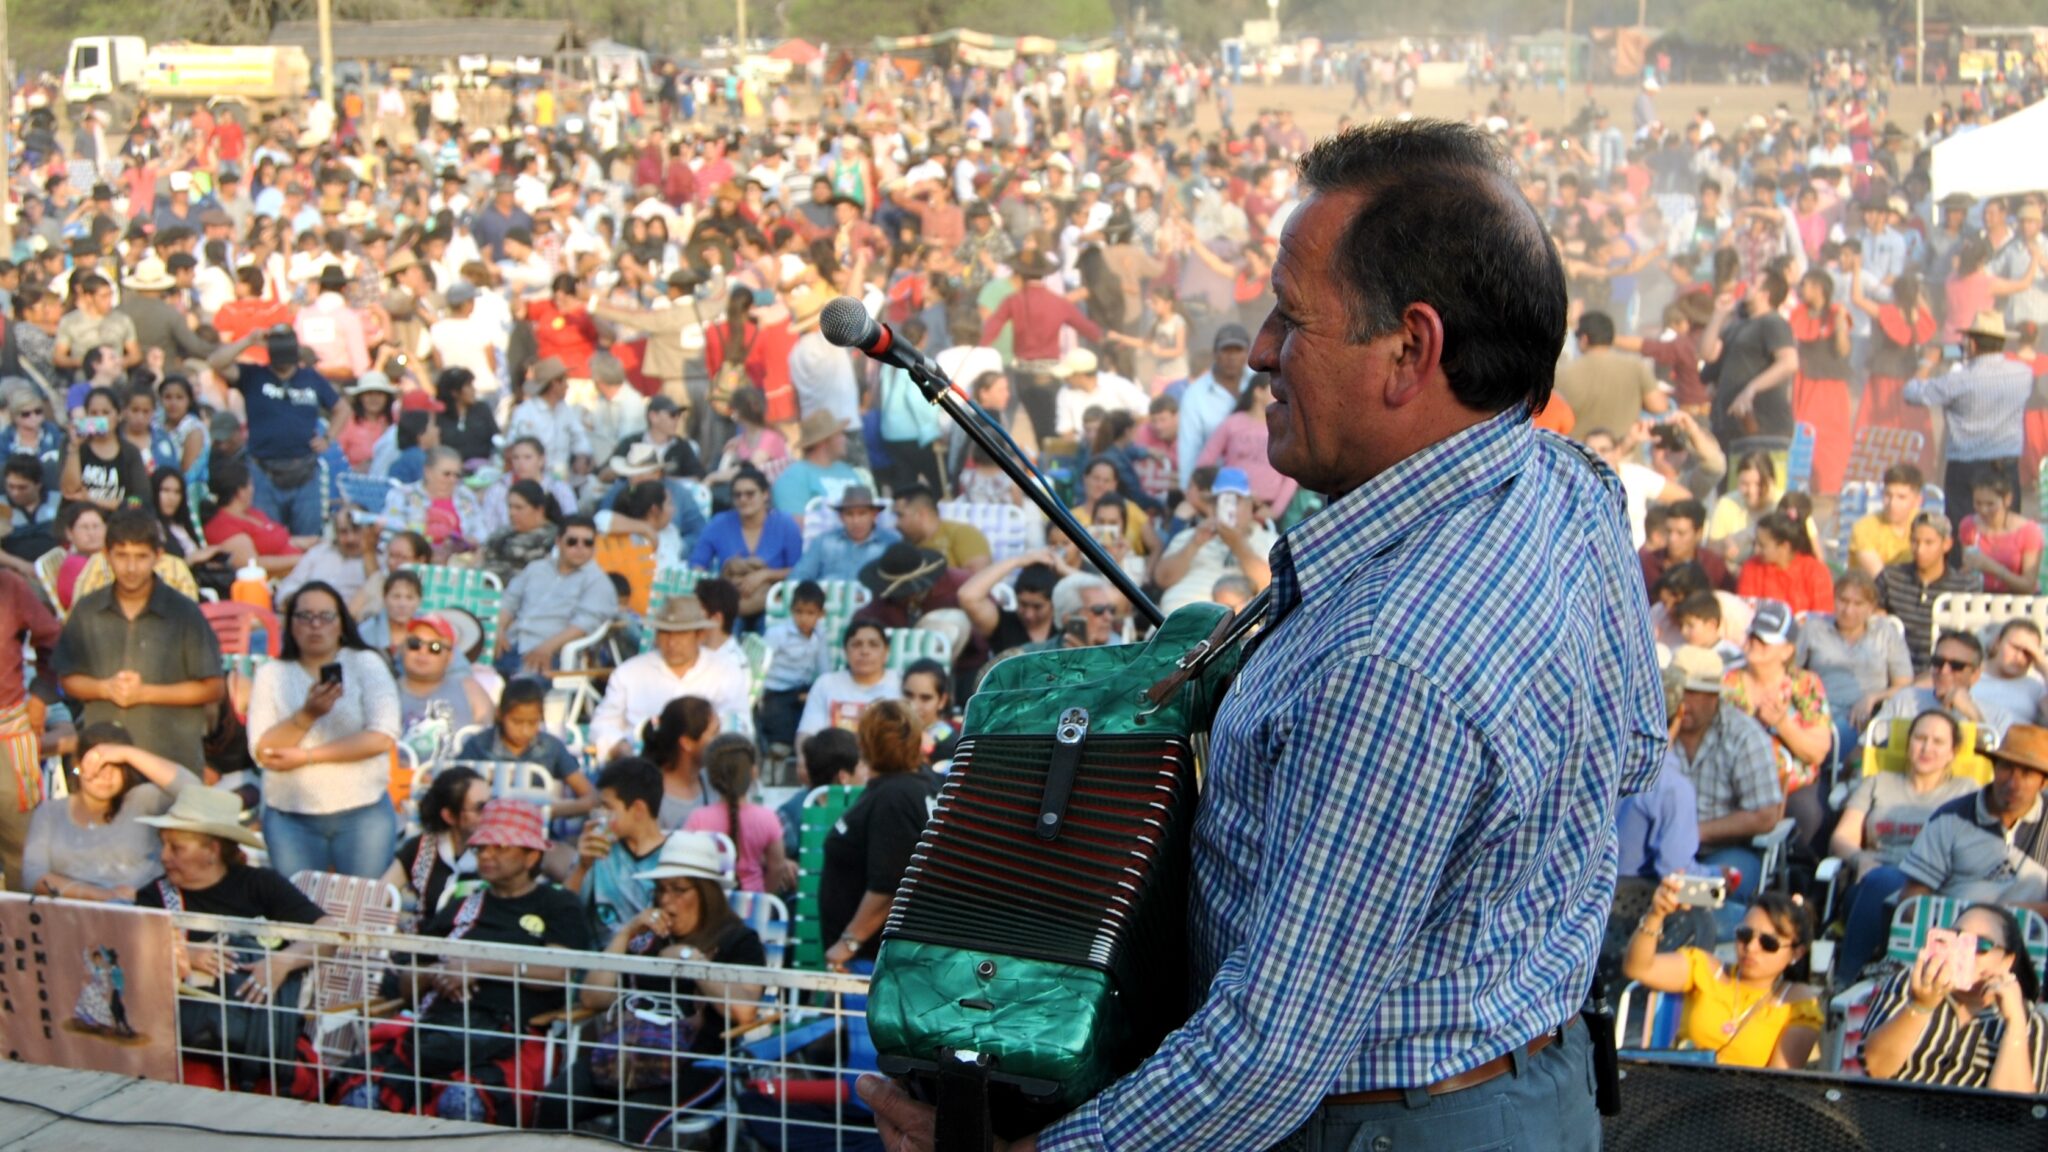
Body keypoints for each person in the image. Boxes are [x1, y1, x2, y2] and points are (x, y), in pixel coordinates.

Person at [855, 122, 1660, 1151]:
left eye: (1291, 319)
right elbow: (1628, 749)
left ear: (1410, 349)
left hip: (1380, 1127)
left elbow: (1266, 1053)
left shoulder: (1389, 662)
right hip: (1529, 1081)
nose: (1261, 354)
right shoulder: (1567, 484)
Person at [338, 798, 589, 1122]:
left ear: (531, 855)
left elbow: (558, 970)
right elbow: (407, 982)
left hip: (510, 1037)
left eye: (500, 847)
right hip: (437, 1029)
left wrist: (478, 967)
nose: (486, 854)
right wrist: (438, 974)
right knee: (362, 1095)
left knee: (462, 1103)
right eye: (482, 848)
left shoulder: (558, 904)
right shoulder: (463, 906)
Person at [539, 829, 765, 1144]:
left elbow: (743, 1011)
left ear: (707, 893)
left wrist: (691, 960)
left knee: (629, 1125)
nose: (666, 901)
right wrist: (624, 935)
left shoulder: (738, 941)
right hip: (625, 1053)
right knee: (554, 1103)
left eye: (679, 890)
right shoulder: (648, 938)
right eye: (660, 890)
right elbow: (593, 995)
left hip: (694, 1064)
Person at [133, 785, 333, 1093]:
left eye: (176, 847)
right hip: (185, 1042)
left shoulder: (259, 885)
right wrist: (183, 952)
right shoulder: (154, 896)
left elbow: (330, 931)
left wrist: (280, 963)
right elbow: (132, 955)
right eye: (163, 845)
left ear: (212, 850)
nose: (164, 857)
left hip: (261, 1040)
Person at [247, 581, 402, 878]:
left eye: (326, 616)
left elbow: (382, 736)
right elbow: (264, 751)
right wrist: (307, 715)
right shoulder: (271, 674)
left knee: (360, 911)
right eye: (305, 617)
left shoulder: (366, 663)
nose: (315, 625)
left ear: (341, 623)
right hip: (291, 817)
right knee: (300, 911)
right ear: (290, 625)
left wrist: (307, 757)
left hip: (363, 812)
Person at [55, 507, 225, 770]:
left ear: (158, 556)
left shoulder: (183, 612)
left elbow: (213, 686)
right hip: (103, 762)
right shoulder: (88, 611)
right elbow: (67, 677)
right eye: (122, 556)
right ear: (106, 555)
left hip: (170, 760)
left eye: (141, 557)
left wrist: (145, 693)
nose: (131, 567)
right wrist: (105, 688)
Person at [1830, 709, 1983, 983]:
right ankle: (1850, 982)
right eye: (1920, 738)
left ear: (1953, 752)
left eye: (1938, 742)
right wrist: (1860, 858)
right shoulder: (1879, 782)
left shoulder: (1966, 791)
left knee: (1888, 883)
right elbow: (1842, 836)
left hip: (1936, 885)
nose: (1926, 748)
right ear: (1908, 742)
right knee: (1880, 880)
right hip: (1876, 875)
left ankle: (1848, 980)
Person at [1622, 876, 1822, 1068]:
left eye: (1768, 943)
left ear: (1797, 952)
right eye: (1744, 934)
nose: (1751, 947)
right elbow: (1638, 968)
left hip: (1745, 1100)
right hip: (1678, 1090)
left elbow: (1777, 1086)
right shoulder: (1704, 969)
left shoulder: (1796, 1004)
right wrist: (1656, 915)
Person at [1860, 902, 2048, 1094]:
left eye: (1982, 945)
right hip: (1889, 1115)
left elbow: (2016, 1113)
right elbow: (1874, 1069)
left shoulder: (2030, 1023)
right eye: (1956, 939)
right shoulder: (1909, 984)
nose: (1963, 953)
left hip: (1974, 1122)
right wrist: (1920, 1006)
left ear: (2007, 961)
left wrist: (2015, 1026)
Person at [1669, 643, 1784, 937]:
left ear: (1713, 698)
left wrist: (1698, 831)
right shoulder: (1662, 728)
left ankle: (1706, 955)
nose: (1684, 702)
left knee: (1713, 895)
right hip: (1662, 845)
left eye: (1693, 693)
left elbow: (1765, 814)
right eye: (1679, 692)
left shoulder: (1744, 736)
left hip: (1723, 848)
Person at [822, 701, 937, 973]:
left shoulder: (894, 797)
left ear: (865, 743)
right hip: (898, 957)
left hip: (877, 961)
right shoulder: (926, 784)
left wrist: (848, 943)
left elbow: (889, 884)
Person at [207, 324, 352, 537]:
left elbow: (342, 408)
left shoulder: (311, 378)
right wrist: (249, 340)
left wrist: (328, 438)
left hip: (304, 471)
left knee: (308, 538)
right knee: (268, 539)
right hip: (263, 472)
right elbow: (215, 363)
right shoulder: (253, 375)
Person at [23, 727, 198, 901]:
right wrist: (103, 896)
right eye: (99, 766)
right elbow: (33, 876)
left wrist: (128, 754)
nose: (107, 775)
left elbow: (194, 790)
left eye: (116, 766)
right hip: (72, 915)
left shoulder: (143, 800)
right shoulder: (50, 812)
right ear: (78, 764)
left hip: (138, 913)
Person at [1895, 723, 2048, 914]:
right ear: (1994, 767)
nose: (2012, 783)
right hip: (1953, 931)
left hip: (2031, 936)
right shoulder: (1950, 817)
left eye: (2026, 773)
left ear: (2043, 783)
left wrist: (2005, 914)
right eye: (2006, 767)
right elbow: (1913, 898)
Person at [1906, 311, 2033, 537]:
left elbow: (1912, 393)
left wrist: (1927, 362)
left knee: (1963, 533)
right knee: (2007, 532)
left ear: (1972, 344)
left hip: (1966, 467)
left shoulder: (1958, 380)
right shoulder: (2023, 373)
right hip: (2006, 466)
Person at [590, 596, 751, 759]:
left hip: (705, 766)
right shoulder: (629, 673)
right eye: (665, 633)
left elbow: (740, 725)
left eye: (681, 634)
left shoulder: (725, 671)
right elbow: (602, 724)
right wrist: (620, 746)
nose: (672, 643)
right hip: (643, 764)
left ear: (699, 635)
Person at [1797, 569, 1916, 757]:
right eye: (1843, 601)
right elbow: (1790, 672)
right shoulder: (1814, 629)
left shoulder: (1885, 633)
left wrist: (1873, 697)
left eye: (1858, 604)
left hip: (1867, 714)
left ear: (1871, 607)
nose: (1848, 610)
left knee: (1838, 735)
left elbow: (1905, 685)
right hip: (1819, 710)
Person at [493, 515, 619, 676]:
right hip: (511, 643)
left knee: (520, 690)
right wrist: (498, 629)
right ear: (558, 542)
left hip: (552, 654)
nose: (580, 548)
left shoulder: (598, 582)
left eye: (588, 543)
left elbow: (584, 625)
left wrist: (546, 648)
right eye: (572, 541)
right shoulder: (536, 568)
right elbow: (510, 601)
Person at [567, 755, 672, 941]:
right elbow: (562, 913)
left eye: (607, 807)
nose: (599, 815)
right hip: (599, 964)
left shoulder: (674, 856)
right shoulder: (597, 852)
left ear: (638, 809)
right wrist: (581, 868)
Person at [453, 676, 591, 816]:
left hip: (535, 828)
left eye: (533, 722)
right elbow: (452, 790)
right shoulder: (478, 746)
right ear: (500, 714)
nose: (525, 730)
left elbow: (590, 797)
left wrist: (549, 811)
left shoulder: (551, 747)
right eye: (517, 722)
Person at [1153, 466, 1276, 614]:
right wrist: (1194, 544)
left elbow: (1274, 590)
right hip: (1175, 620)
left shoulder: (1270, 541)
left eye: (1235, 501)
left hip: (1229, 629)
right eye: (1221, 501)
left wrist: (1238, 545)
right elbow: (1162, 579)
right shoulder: (1190, 536)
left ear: (1251, 505)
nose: (1228, 508)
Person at [690, 465, 803, 620]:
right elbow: (698, 563)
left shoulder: (785, 524)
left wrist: (765, 575)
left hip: (772, 601)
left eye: (750, 494)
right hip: (729, 601)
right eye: (737, 495)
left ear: (765, 494)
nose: (743, 499)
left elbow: (798, 570)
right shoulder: (719, 524)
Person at [1875, 513, 1984, 673]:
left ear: (1946, 544)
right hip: (1893, 669)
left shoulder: (1966, 585)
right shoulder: (1890, 577)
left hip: (1943, 670)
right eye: (1914, 541)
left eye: (1929, 543)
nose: (1920, 550)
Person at [1876, 630, 2024, 744]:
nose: (1944, 671)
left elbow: (1995, 766)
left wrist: (1974, 717)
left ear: (1975, 675)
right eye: (1938, 662)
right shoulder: (1905, 700)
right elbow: (1869, 746)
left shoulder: (1998, 717)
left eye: (1956, 666)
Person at [384, 764, 487, 928]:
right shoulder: (421, 848)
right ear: (449, 816)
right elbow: (381, 895)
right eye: (481, 808)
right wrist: (402, 923)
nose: (491, 813)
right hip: (424, 945)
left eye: (493, 803)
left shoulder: (500, 852)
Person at [684, 734, 790, 892]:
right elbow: (778, 866)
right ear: (754, 772)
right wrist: (765, 895)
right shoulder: (767, 818)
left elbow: (686, 865)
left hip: (711, 907)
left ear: (711, 777)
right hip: (756, 908)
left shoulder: (698, 819)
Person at [1552, 310, 1665, 442]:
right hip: (1623, 453)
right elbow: (1658, 406)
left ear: (1584, 339)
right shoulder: (1636, 367)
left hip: (1579, 454)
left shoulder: (1563, 373)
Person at [758, 579, 830, 753]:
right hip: (777, 690)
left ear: (821, 614)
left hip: (802, 688)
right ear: (791, 610)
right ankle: (778, 753)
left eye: (810, 613)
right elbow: (761, 664)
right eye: (799, 612)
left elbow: (824, 667)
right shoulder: (778, 634)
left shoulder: (820, 635)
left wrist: (818, 691)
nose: (803, 618)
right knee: (780, 726)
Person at [798, 619, 903, 740]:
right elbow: (807, 734)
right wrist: (803, 757)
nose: (864, 651)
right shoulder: (826, 684)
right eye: (856, 644)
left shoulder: (902, 683)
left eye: (873, 645)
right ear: (846, 652)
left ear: (886, 652)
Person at [397, 612, 493, 735]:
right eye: (414, 644)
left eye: (435, 647)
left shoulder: (470, 689)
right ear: (403, 648)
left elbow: (487, 740)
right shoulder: (384, 692)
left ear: (450, 656)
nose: (423, 652)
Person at [60, 385, 151, 511]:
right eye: (94, 413)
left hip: (117, 523)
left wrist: (93, 500)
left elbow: (140, 500)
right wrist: (74, 447)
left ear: (118, 416)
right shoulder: (72, 445)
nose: (100, 418)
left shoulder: (130, 452)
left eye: (106, 412)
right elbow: (69, 491)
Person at [788, 484, 898, 584]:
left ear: (874, 515)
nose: (856, 521)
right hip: (827, 603)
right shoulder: (823, 542)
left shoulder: (891, 544)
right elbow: (799, 576)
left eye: (862, 513)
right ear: (841, 517)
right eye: (849, 514)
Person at [1957, 472, 2042, 596]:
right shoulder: (1969, 527)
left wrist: (1993, 568)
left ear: (2007, 500)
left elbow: (2028, 586)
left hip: (2018, 601)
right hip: (1981, 599)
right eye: (1978, 503)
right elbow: (1968, 569)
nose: (1983, 510)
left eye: (1990, 504)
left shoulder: (2028, 531)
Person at [1736, 513, 1834, 614]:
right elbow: (1745, 612)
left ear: (1784, 546)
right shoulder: (1752, 568)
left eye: (1762, 545)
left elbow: (1822, 616)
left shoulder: (1816, 571)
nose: (1756, 550)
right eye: (1755, 544)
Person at [479, 478, 561, 585]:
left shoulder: (554, 538)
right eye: (510, 507)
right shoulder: (501, 533)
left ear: (539, 510)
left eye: (519, 508)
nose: (512, 513)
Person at [1639, 498, 1731, 593]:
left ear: (1699, 533)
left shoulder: (1714, 566)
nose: (1672, 539)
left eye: (1681, 533)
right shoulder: (1647, 565)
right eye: (1669, 531)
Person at [1851, 464, 1924, 577]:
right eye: (1887, 495)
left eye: (1901, 497)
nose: (1892, 504)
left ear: (1917, 501)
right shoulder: (1865, 528)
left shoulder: (1924, 525)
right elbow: (1880, 579)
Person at [1975, 619, 2048, 722]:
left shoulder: (2035, 686)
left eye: (2028, 652)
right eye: (2015, 648)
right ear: (1997, 643)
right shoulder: (1970, 674)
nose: (2019, 657)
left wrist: (2044, 666)